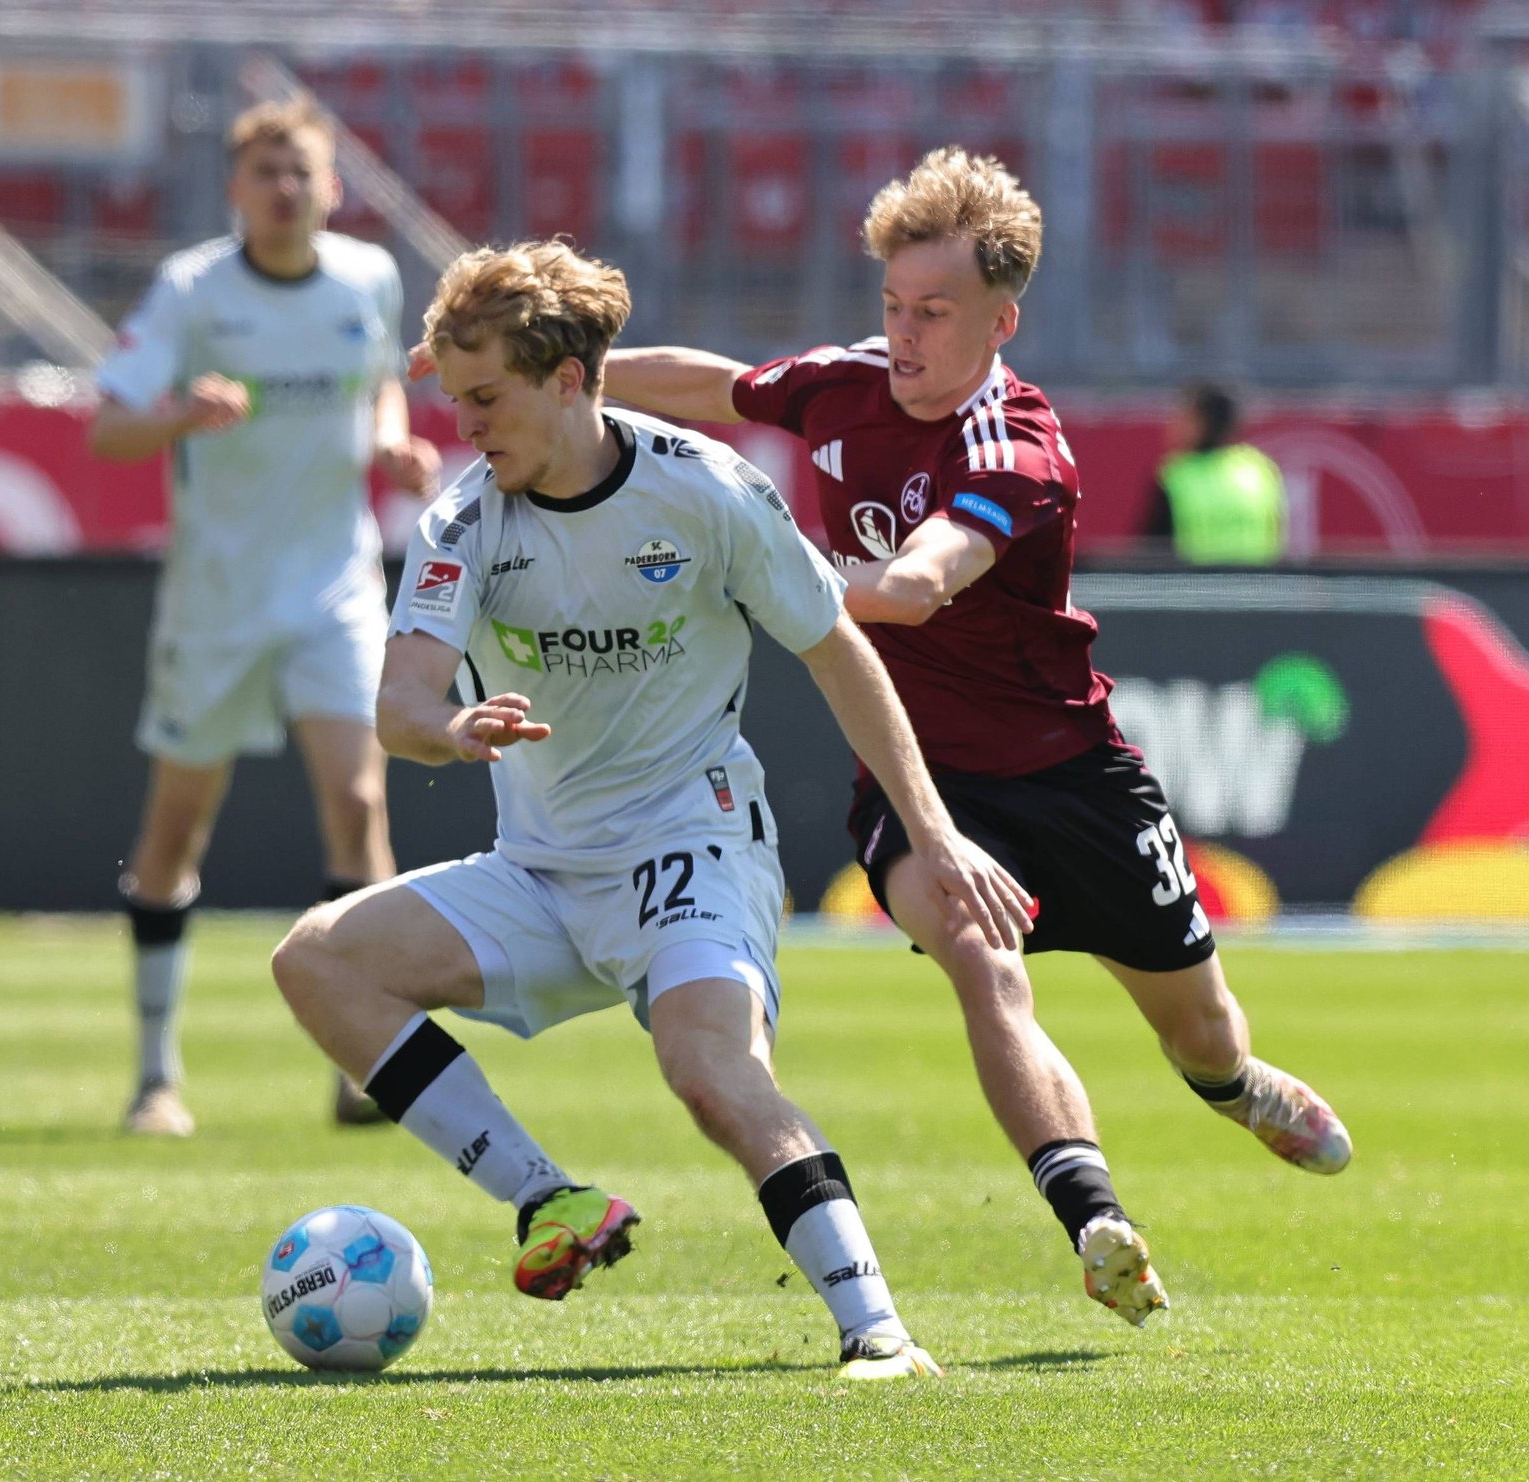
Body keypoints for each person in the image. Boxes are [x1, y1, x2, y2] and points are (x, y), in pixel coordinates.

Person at [600, 147, 1351, 1329]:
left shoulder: (1019, 446)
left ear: (999, 320)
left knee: (1200, 1035)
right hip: (922, 783)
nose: (900, 334)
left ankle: (1235, 1088)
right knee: (979, 959)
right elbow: (713, 385)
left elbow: (907, 588)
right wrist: (561, 378)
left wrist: (749, 574)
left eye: (932, 313)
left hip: (1074, 777)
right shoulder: (842, 382)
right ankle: (1094, 1217)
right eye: (891, 306)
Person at [272, 240, 1034, 1378]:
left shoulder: (708, 490)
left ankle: (873, 1329)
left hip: (693, 844)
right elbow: (399, 706)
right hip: (538, 867)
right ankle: (546, 1198)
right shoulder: (464, 521)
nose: (466, 424)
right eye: (456, 397)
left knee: (709, 1072)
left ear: (569, 380)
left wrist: (933, 831)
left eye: (487, 399)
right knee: (315, 961)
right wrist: (448, 731)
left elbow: (839, 654)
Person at [90, 99, 441, 1136]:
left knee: (360, 805)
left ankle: (363, 1063)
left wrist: (389, 442)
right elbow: (107, 429)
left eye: (302, 172)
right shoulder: (193, 291)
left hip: (334, 589)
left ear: (331, 187)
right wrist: (175, 415)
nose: (285, 189)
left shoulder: (365, 279)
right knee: (175, 823)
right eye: (266, 173)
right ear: (237, 190)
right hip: (219, 598)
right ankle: (155, 1074)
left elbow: (379, 384)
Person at [1144, 383, 1289, 565]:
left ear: (1201, 423)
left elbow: (1150, 557)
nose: (1174, 426)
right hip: (1258, 589)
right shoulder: (1262, 471)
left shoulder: (1177, 476)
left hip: (1195, 590)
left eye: (1185, 418)